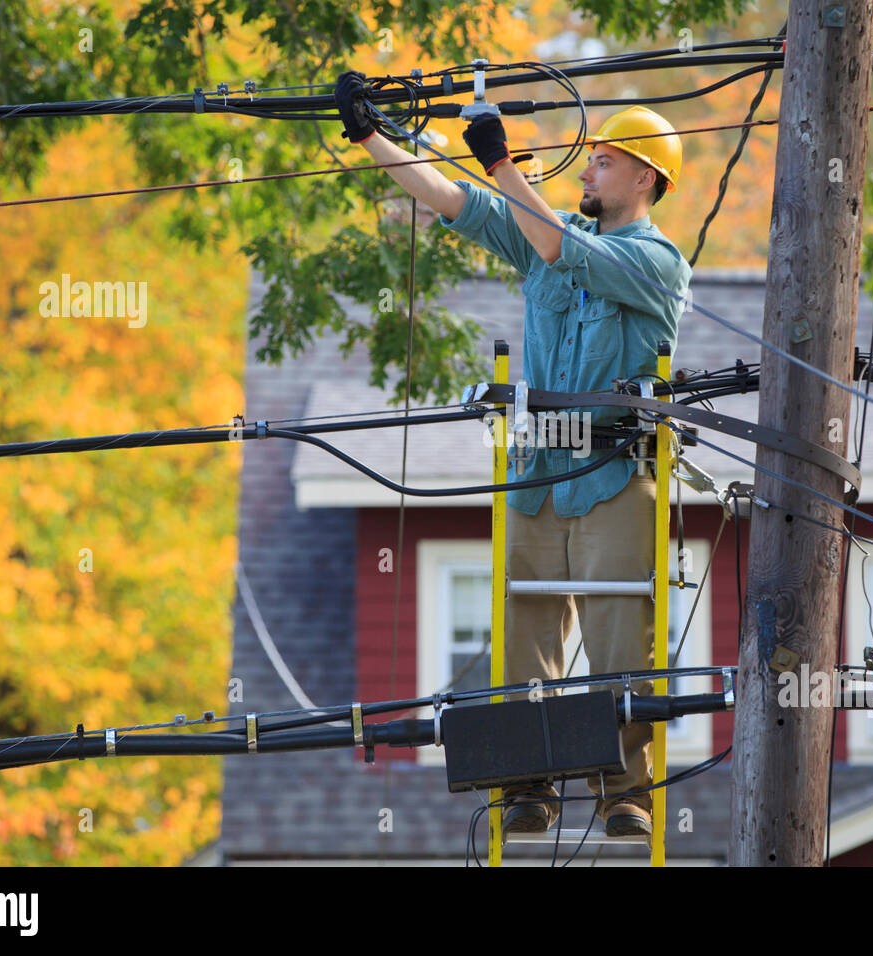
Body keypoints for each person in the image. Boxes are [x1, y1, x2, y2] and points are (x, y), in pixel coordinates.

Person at [335, 73, 692, 838]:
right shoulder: (542, 236)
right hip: (536, 473)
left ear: (644, 178)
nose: (589, 168)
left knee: (617, 632)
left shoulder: (658, 264)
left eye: (604, 159)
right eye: (592, 158)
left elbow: (565, 249)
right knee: (526, 632)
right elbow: (451, 200)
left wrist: (503, 162)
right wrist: (371, 136)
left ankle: (623, 790)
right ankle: (529, 782)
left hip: (611, 474)